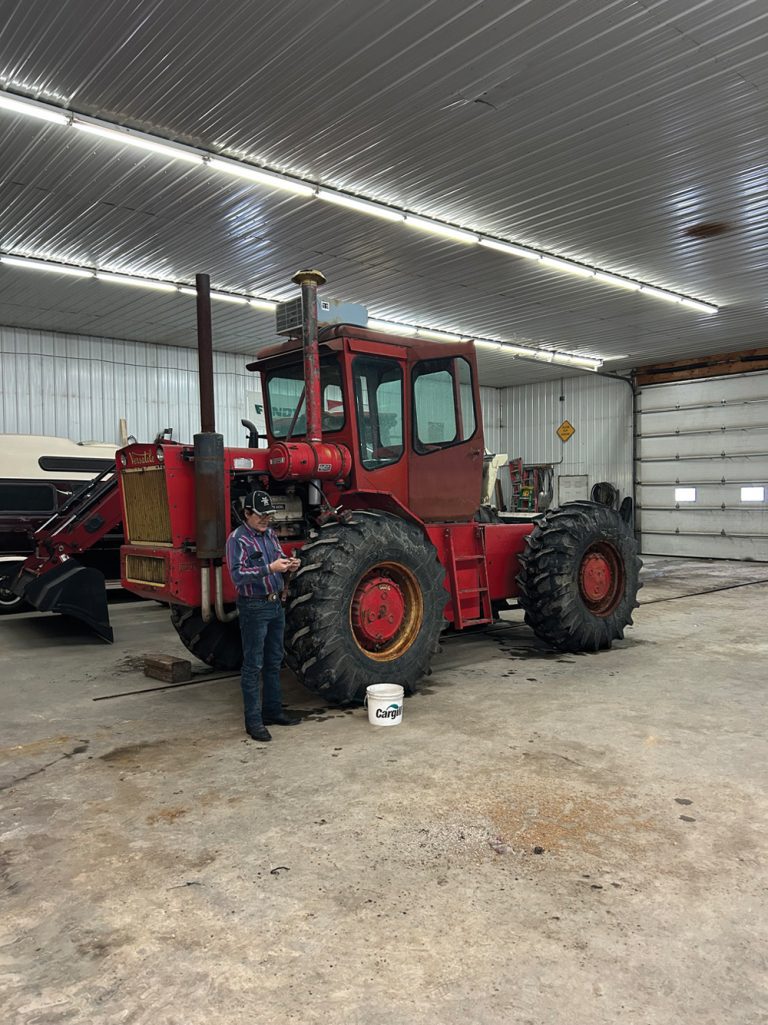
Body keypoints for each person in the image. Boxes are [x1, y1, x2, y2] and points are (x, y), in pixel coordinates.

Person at [225, 489, 301, 741]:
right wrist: (269, 568)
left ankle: (273, 710)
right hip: (254, 606)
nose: (266, 519)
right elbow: (237, 576)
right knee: (253, 664)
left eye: (268, 514)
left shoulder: (269, 535)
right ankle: (254, 721)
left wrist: (288, 565)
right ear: (247, 514)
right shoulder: (238, 540)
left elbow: (277, 560)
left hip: (274, 604)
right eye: (261, 515)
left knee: (274, 660)